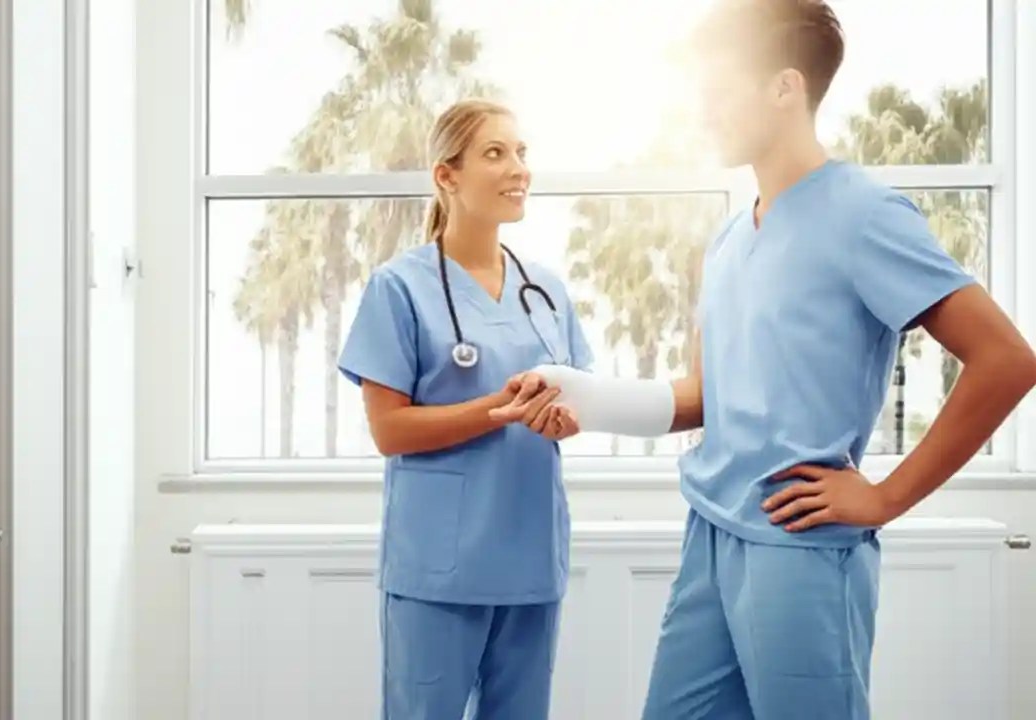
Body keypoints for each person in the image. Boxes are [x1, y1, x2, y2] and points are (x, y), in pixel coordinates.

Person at [491, 1, 1036, 718]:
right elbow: (706, 396)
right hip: (710, 532)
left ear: (785, 88)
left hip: (799, 545)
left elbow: (1007, 360)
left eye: (718, 88)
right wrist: (582, 400)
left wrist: (883, 498)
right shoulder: (728, 239)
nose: (703, 108)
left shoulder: (865, 213)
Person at [336, 98, 594, 719]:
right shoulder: (398, 287)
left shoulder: (545, 290)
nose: (518, 169)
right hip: (439, 567)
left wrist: (565, 418)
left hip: (531, 554)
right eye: (495, 153)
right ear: (446, 176)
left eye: (522, 153)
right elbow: (388, 430)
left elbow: (578, 402)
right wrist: (494, 409)